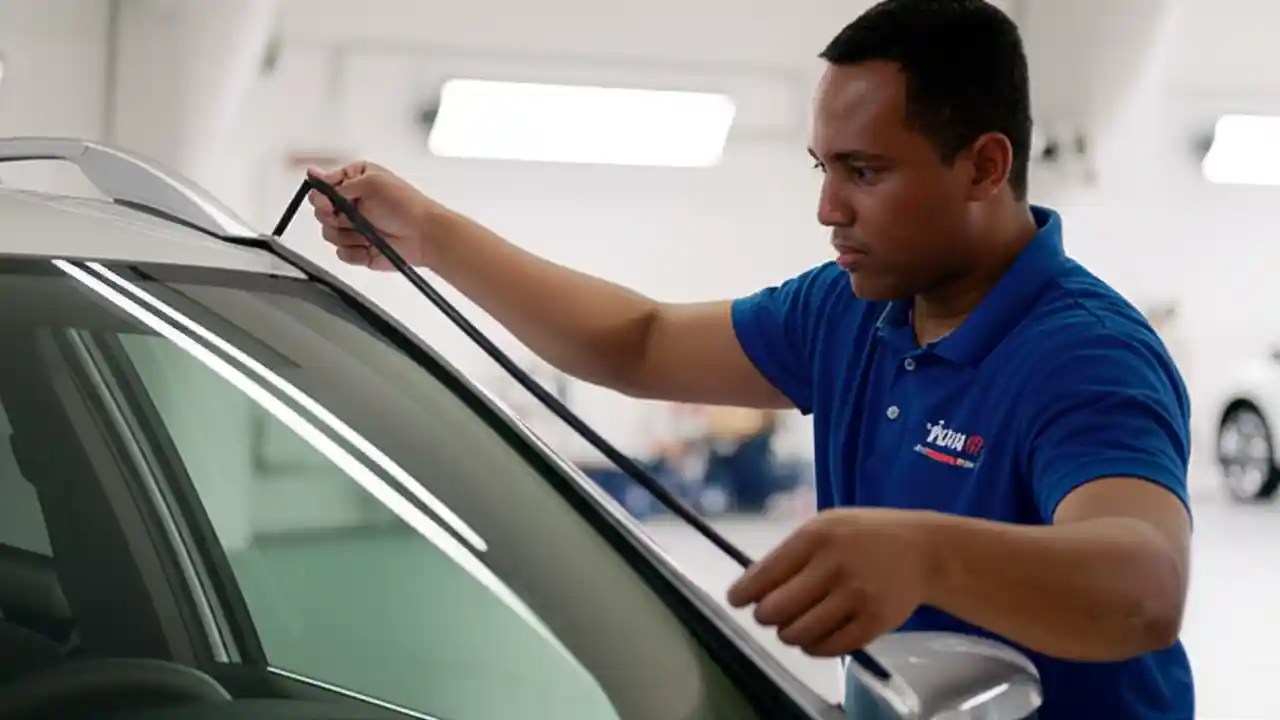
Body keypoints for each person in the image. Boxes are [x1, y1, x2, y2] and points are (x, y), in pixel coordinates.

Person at [305, 0, 1194, 716]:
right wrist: (432, 236)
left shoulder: (1083, 353)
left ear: (984, 166)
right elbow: (640, 341)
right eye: (821, 167)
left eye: (864, 172)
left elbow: (1145, 584)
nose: (828, 209)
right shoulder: (849, 312)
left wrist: (928, 557)